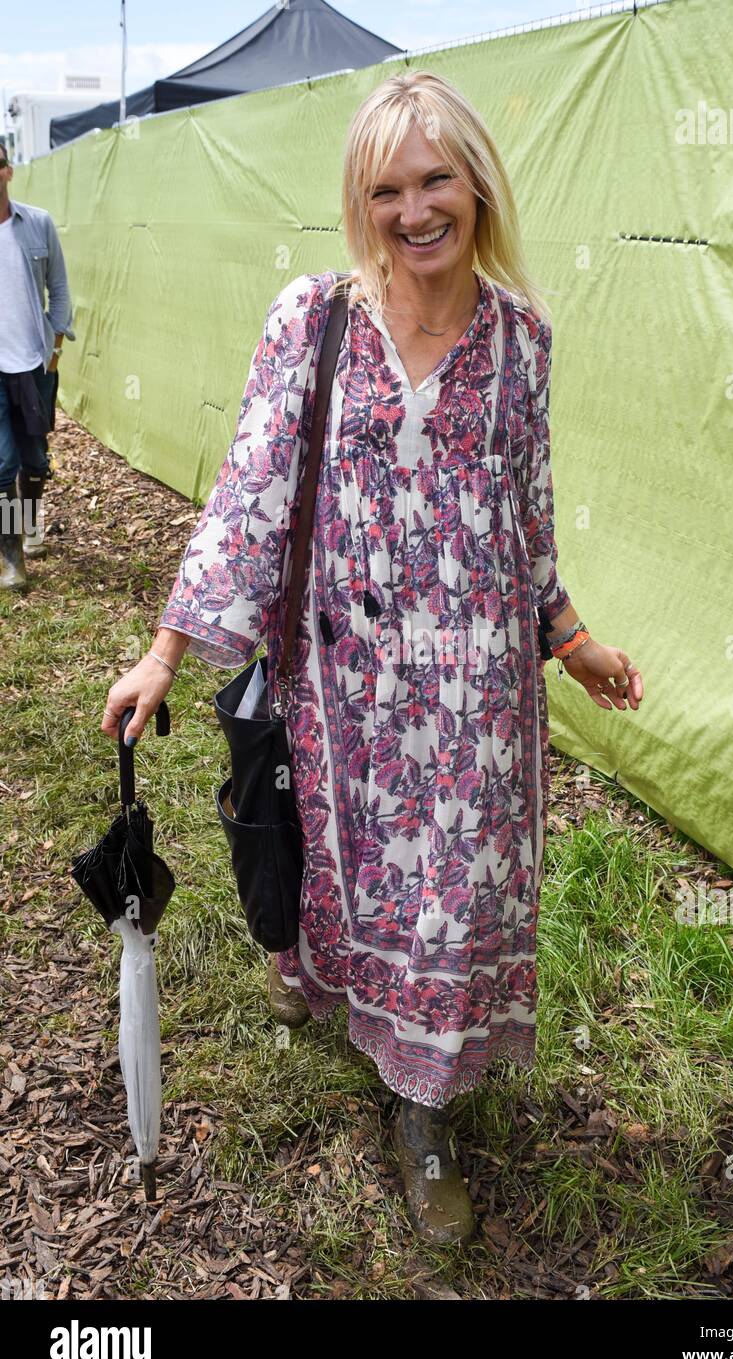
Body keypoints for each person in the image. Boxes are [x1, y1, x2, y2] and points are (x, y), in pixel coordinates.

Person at [101, 71, 644, 1246]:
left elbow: (527, 518)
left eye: (436, 178)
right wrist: (163, 653)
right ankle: (314, 975)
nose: (416, 210)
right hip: (345, 683)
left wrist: (572, 638)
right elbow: (248, 496)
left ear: (477, 183)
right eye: (386, 188)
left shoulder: (521, 343)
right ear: (361, 202)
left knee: (448, 899)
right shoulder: (316, 319)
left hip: (478, 698)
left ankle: (424, 1114)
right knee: (332, 860)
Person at [0, 138, 75, 589]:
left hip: (32, 363)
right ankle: (12, 561)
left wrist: (56, 347)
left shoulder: (37, 225)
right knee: (3, 463)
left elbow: (59, 286)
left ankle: (29, 526)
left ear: (7, 171)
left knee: (34, 460)